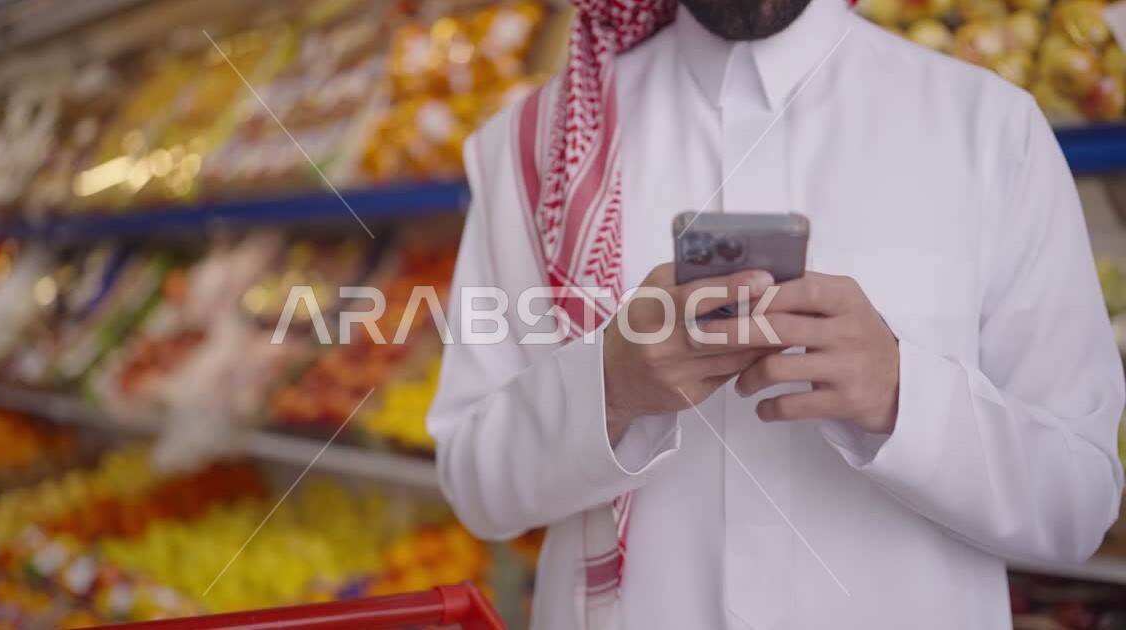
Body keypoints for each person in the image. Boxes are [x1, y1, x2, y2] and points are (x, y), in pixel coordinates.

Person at [426, 0, 1126, 627]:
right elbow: (475, 486)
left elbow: (1080, 503)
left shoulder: (986, 129)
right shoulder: (532, 149)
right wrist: (606, 389)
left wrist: (903, 394)